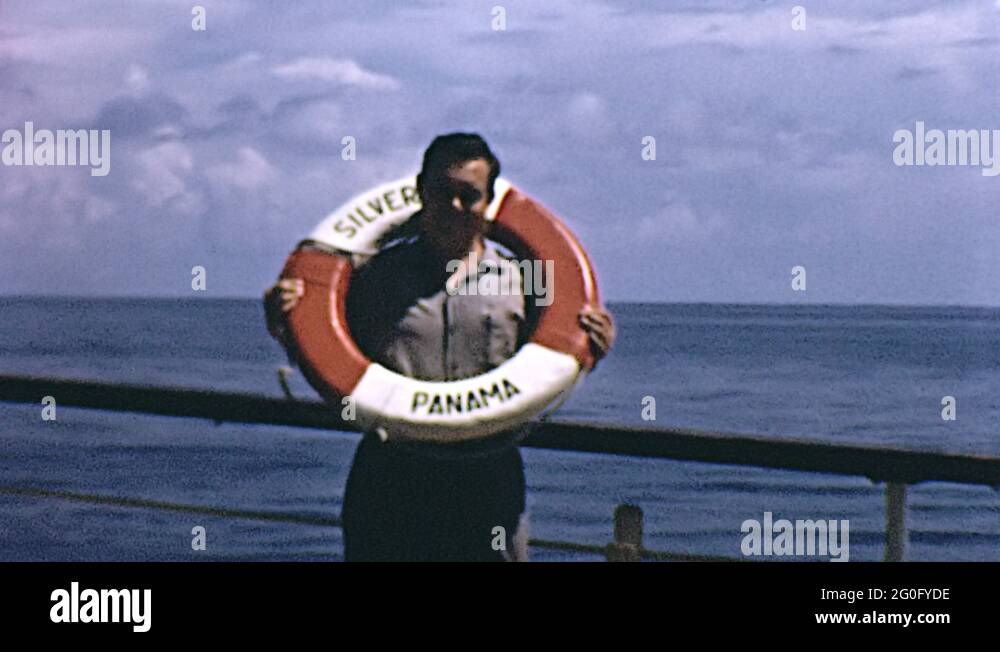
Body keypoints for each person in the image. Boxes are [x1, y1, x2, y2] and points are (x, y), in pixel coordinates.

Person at [265, 133, 615, 561]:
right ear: (420, 193)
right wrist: (286, 319)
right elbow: (322, 344)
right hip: (392, 475)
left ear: (488, 204)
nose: (453, 207)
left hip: (487, 477)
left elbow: (553, 355)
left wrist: (589, 347)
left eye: (468, 196)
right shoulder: (372, 277)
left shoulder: (526, 282)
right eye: (441, 192)